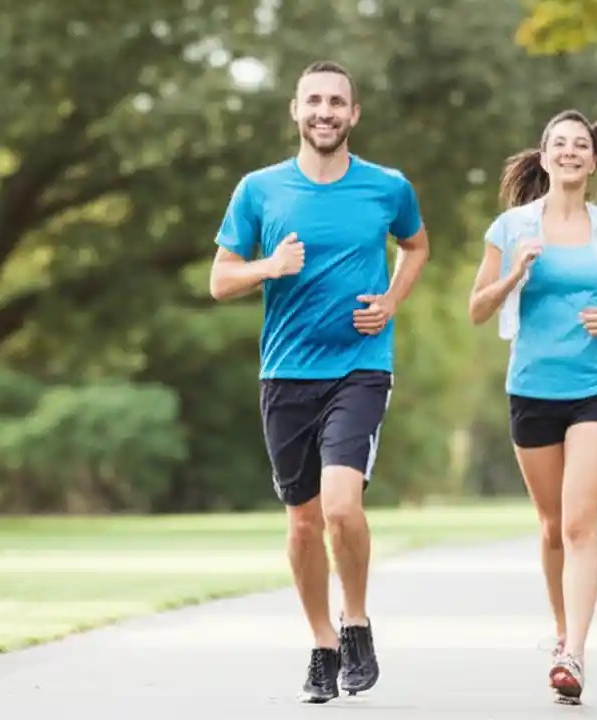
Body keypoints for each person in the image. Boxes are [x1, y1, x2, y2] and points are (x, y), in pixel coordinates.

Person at [207, 60, 430, 704]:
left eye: (337, 101)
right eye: (314, 101)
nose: (325, 111)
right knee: (302, 521)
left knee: (340, 504)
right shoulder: (259, 190)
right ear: (295, 110)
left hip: (360, 366)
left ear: (354, 114)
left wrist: (391, 301)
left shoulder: (387, 188)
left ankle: (356, 622)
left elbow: (415, 247)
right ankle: (321, 642)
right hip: (284, 374)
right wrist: (269, 266)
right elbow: (220, 280)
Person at [467, 109, 597, 705]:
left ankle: (575, 651)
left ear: (593, 161)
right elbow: (477, 308)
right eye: (559, 144)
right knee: (550, 528)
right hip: (532, 389)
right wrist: (515, 272)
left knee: (578, 522)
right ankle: (561, 633)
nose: (570, 152)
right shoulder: (511, 228)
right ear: (543, 157)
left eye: (581, 145)